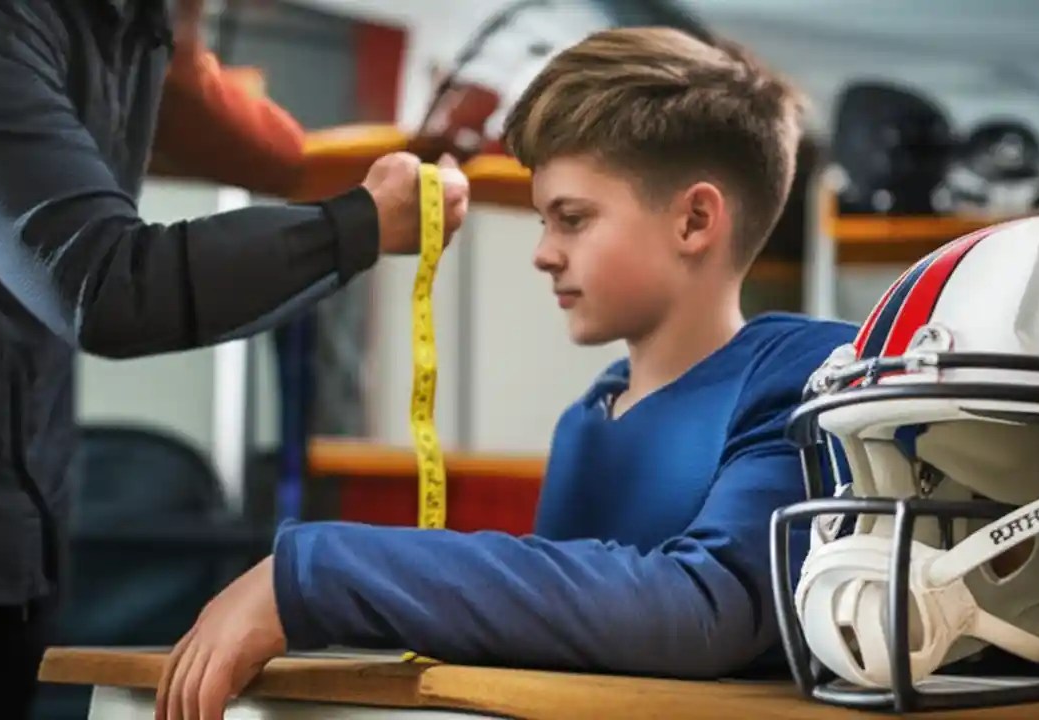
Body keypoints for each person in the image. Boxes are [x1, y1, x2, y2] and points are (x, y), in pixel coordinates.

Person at [156, 25, 857, 719]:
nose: (544, 254)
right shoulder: (590, 419)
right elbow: (552, 643)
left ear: (695, 220)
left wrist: (318, 574)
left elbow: (708, 607)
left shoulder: (805, 379)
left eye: (573, 219)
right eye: (543, 222)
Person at [0, 2, 467, 717]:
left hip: (21, 530)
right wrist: (362, 224)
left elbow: (261, 145)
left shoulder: (132, 23)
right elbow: (108, 284)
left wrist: (411, 151)